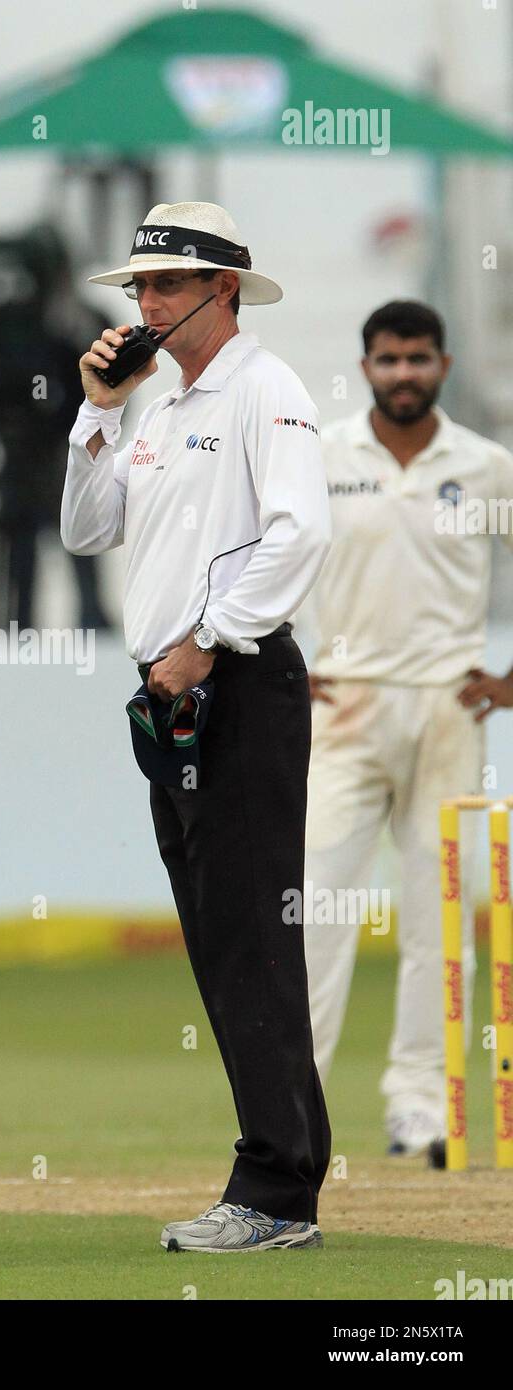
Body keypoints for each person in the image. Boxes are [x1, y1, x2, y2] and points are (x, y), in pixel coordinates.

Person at [61, 201, 332, 1252]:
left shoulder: (263, 387)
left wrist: (209, 638)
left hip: (239, 681)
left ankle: (272, 1190)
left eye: (166, 284)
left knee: (248, 938)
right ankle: (278, 1179)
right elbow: (86, 527)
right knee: (223, 939)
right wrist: (95, 411)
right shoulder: (160, 406)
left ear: (223, 289)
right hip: (179, 688)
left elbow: (298, 531)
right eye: (138, 286)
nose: (144, 302)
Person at [300, 300, 513, 1157]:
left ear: (444, 365)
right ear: (366, 368)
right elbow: (261, 555)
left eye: (418, 359)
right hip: (343, 705)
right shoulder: (322, 458)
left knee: (442, 912)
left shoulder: (487, 467)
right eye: (388, 361)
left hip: (448, 709)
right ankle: (294, 1106)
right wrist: (285, 661)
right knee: (315, 909)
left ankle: (419, 1103)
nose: (404, 375)